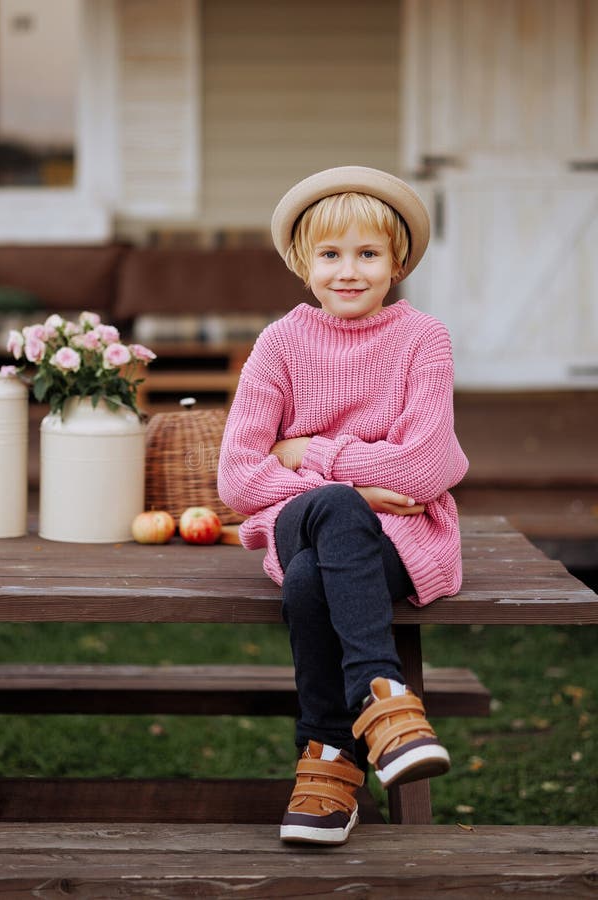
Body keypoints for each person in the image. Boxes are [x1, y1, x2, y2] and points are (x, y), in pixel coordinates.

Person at [217, 166, 469, 845]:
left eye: (368, 254)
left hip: (398, 539)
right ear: (304, 263)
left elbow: (423, 466)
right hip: (302, 522)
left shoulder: (424, 339)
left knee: (310, 580)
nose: (348, 271)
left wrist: (307, 453)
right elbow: (239, 480)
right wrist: (345, 483)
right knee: (332, 510)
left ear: (398, 262)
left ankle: (328, 758)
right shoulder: (280, 344)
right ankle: (385, 702)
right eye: (330, 254)